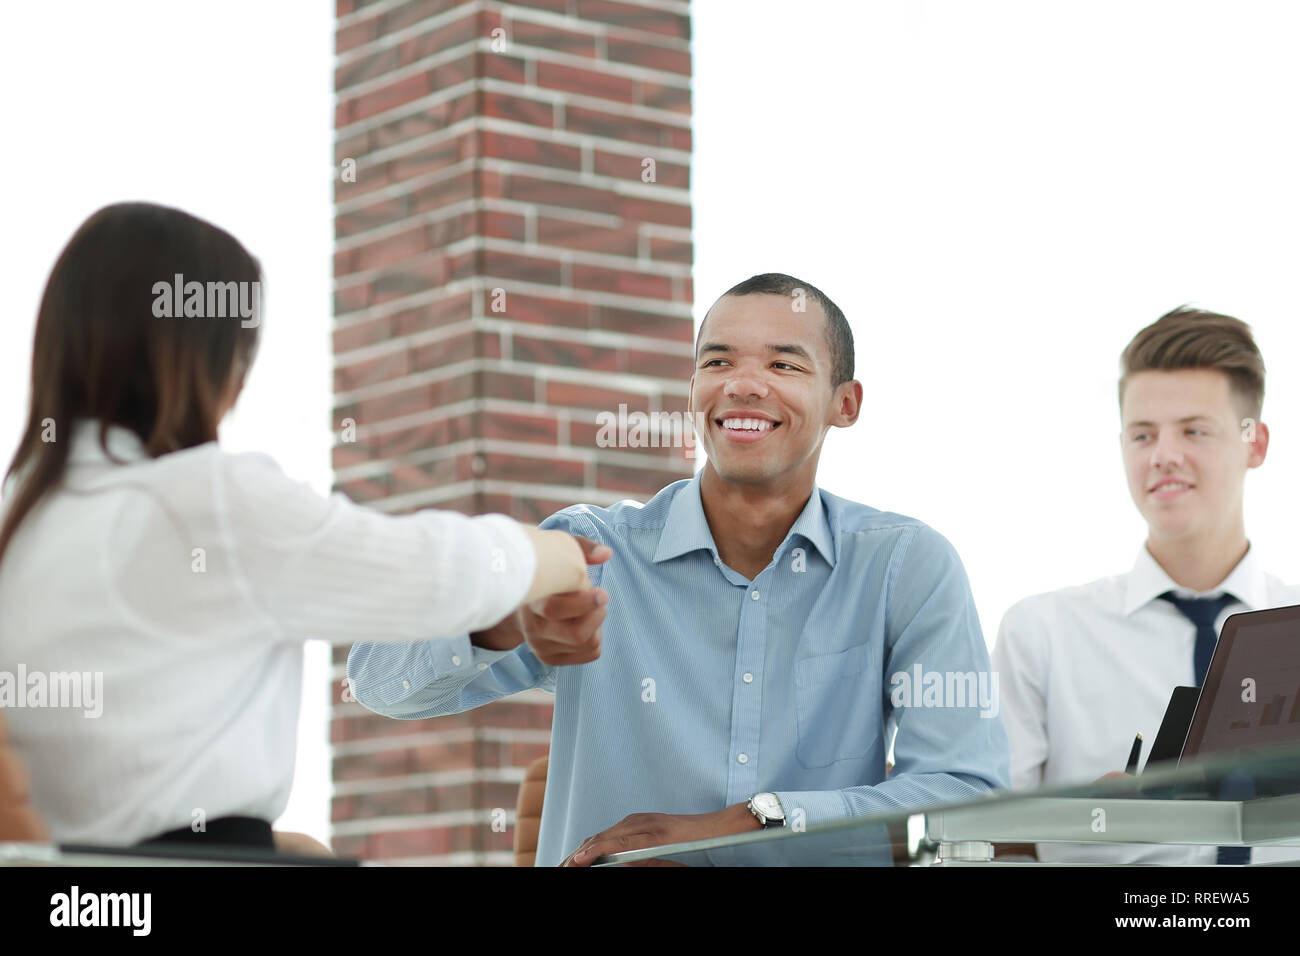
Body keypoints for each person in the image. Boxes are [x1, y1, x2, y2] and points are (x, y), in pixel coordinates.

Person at [348, 272, 1010, 866]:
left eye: (785, 363)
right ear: (693, 388)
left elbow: (965, 796)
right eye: (717, 361)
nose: (743, 383)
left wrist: (749, 823)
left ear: (846, 403)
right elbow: (377, 682)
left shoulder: (904, 565)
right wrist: (497, 625)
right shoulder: (593, 553)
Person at [0, 202, 597, 850]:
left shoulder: (24, 513)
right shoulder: (207, 502)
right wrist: (556, 554)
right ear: (203, 359)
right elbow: (426, 572)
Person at [993, 306, 1299, 864]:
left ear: (1255, 444)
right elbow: (991, 842)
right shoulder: (1042, 633)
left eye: (1194, 430)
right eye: (1142, 434)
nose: (1162, 456)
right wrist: (1085, 823)